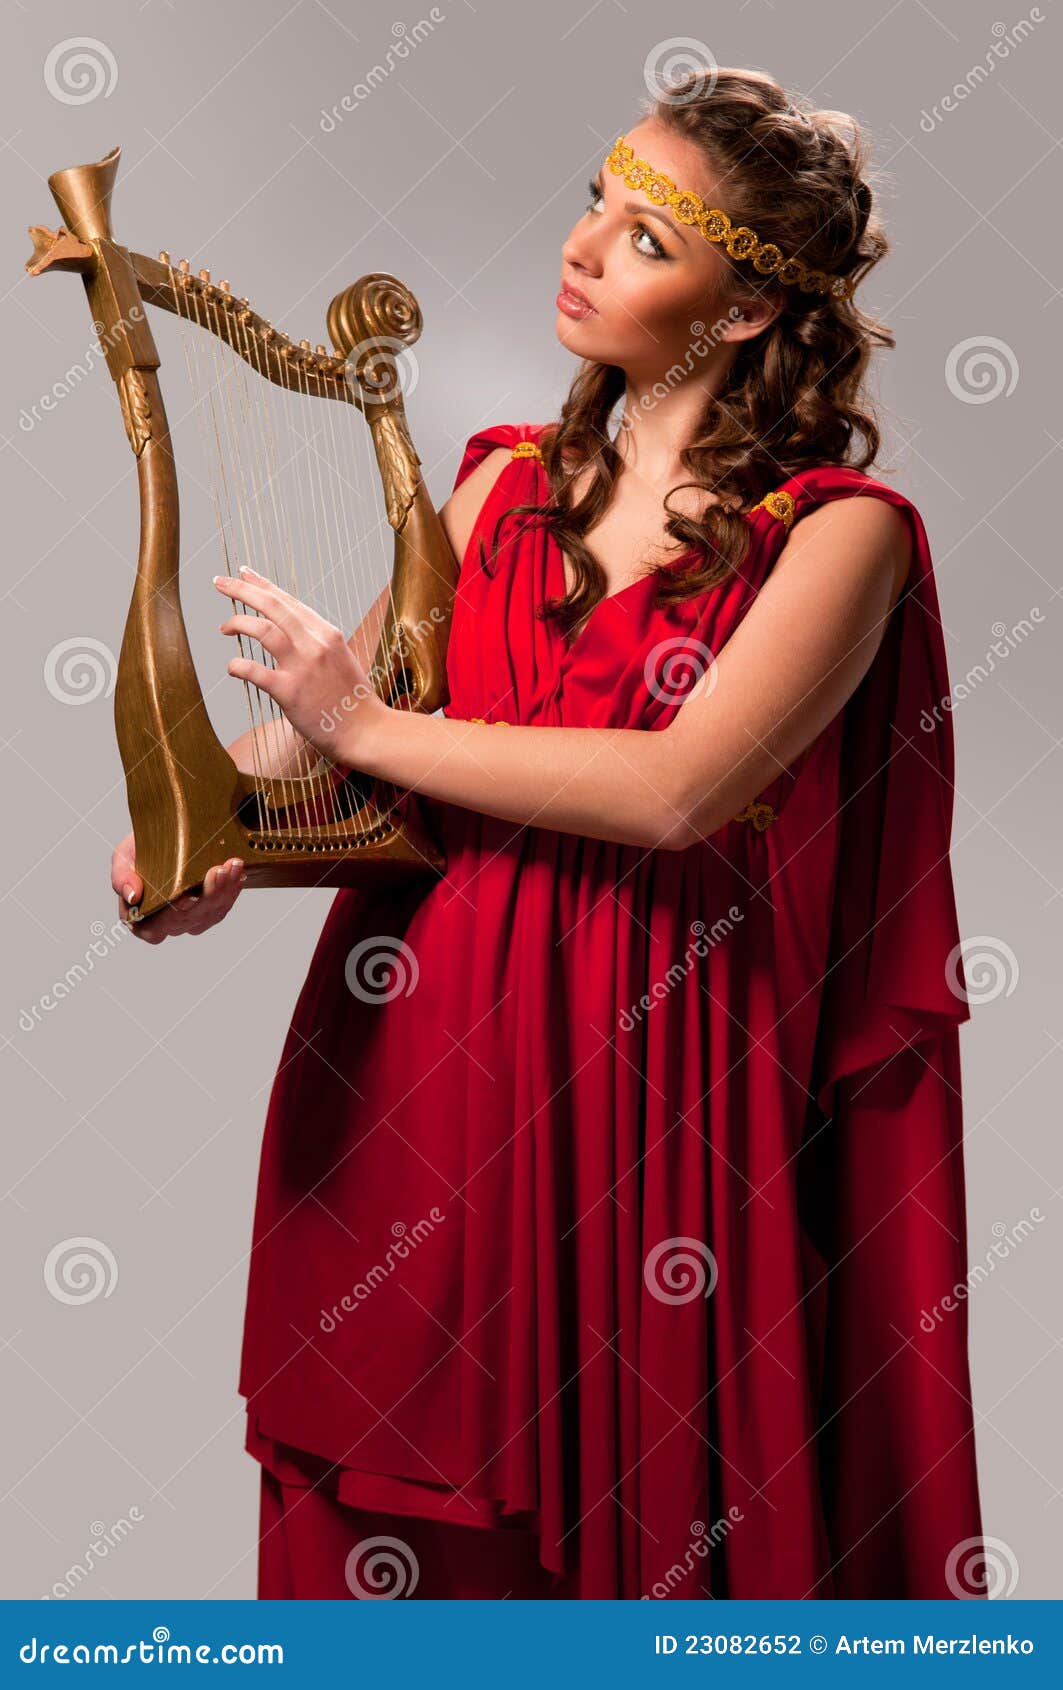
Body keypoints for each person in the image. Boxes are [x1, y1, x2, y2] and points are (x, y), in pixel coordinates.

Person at [111, 68, 984, 1599]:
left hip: (659, 1062)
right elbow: (328, 724)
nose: (585, 245)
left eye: (649, 238)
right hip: (414, 1055)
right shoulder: (500, 482)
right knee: (395, 1504)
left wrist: (364, 731)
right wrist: (213, 836)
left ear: (747, 311)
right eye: (598, 199)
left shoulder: (842, 534)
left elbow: (677, 790)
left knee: (637, 1513)